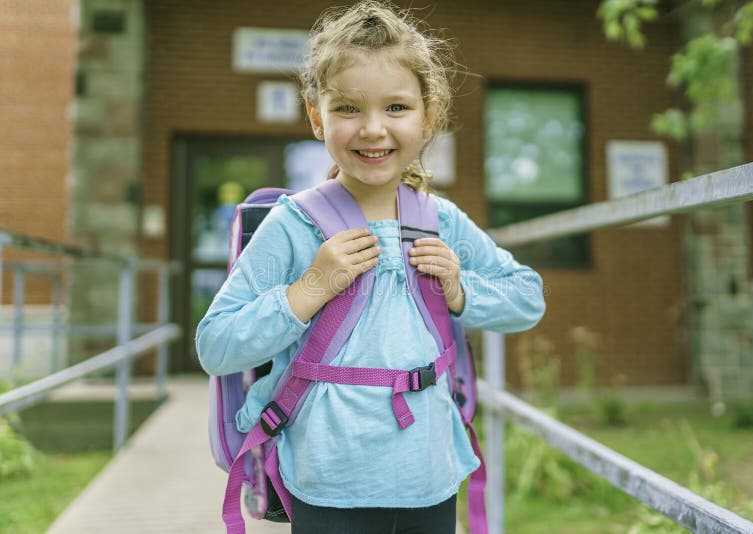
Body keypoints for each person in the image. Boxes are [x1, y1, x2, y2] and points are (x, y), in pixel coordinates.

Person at [196, 2, 546, 532]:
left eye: (397, 108)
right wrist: (310, 288)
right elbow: (215, 345)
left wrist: (459, 288)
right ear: (317, 117)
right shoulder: (295, 225)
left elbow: (527, 297)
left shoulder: (440, 220)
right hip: (325, 481)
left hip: (429, 475)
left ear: (429, 116)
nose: (373, 129)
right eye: (348, 109)